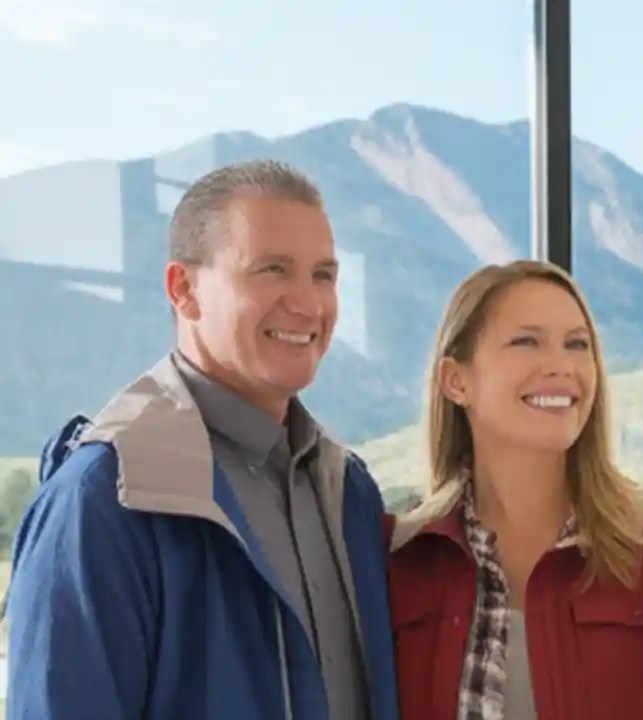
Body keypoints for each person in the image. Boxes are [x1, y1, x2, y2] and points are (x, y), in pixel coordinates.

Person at [5, 160, 399, 719]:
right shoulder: (103, 499)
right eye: (271, 270)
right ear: (183, 289)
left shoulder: (348, 491)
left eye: (323, 275)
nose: (308, 303)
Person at [386, 260, 643, 719]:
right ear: (456, 380)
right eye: (527, 341)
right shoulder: (399, 556)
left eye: (577, 344)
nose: (562, 365)